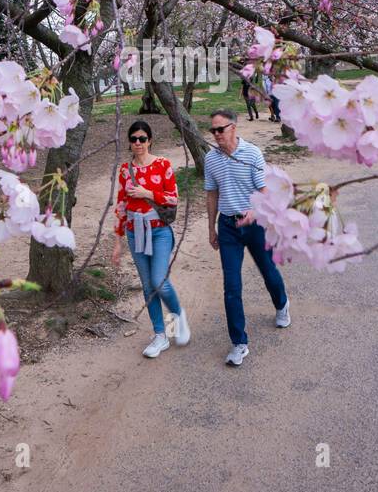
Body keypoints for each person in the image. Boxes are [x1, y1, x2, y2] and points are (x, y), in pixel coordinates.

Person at [204, 109, 289, 367]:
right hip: (228, 226)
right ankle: (239, 343)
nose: (216, 134)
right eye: (213, 130)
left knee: (268, 272)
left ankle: (282, 304)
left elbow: (265, 191)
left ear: (234, 127)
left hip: (255, 224)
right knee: (231, 286)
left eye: (221, 129)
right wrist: (211, 228)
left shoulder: (252, 154)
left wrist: (254, 212)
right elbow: (211, 194)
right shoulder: (211, 159)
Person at [110, 120, 190, 358]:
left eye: (142, 139)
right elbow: (121, 205)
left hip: (159, 231)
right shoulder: (126, 170)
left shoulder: (163, 164)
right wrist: (118, 240)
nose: (138, 143)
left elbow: (173, 199)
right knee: (147, 286)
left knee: (159, 281)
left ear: (150, 140)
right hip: (136, 232)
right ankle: (160, 336)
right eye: (134, 139)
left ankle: (178, 320)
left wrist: (147, 193)